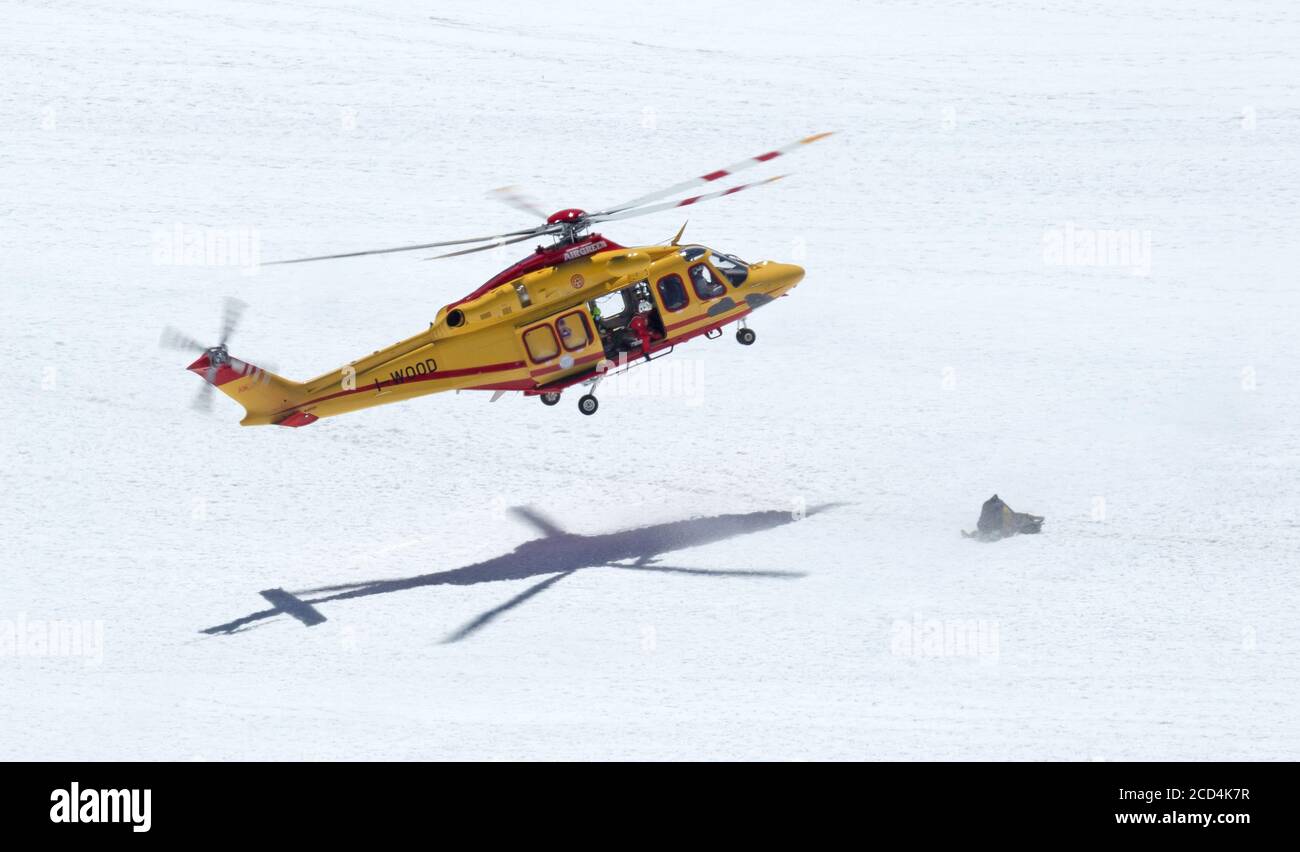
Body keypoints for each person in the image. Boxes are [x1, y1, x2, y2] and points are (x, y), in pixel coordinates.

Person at [963, 494, 1044, 541]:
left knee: (986, 534)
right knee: (990, 534)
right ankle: (973, 536)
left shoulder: (991, 506)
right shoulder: (1001, 508)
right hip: (998, 527)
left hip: (990, 528)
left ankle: (972, 536)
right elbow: (1015, 516)